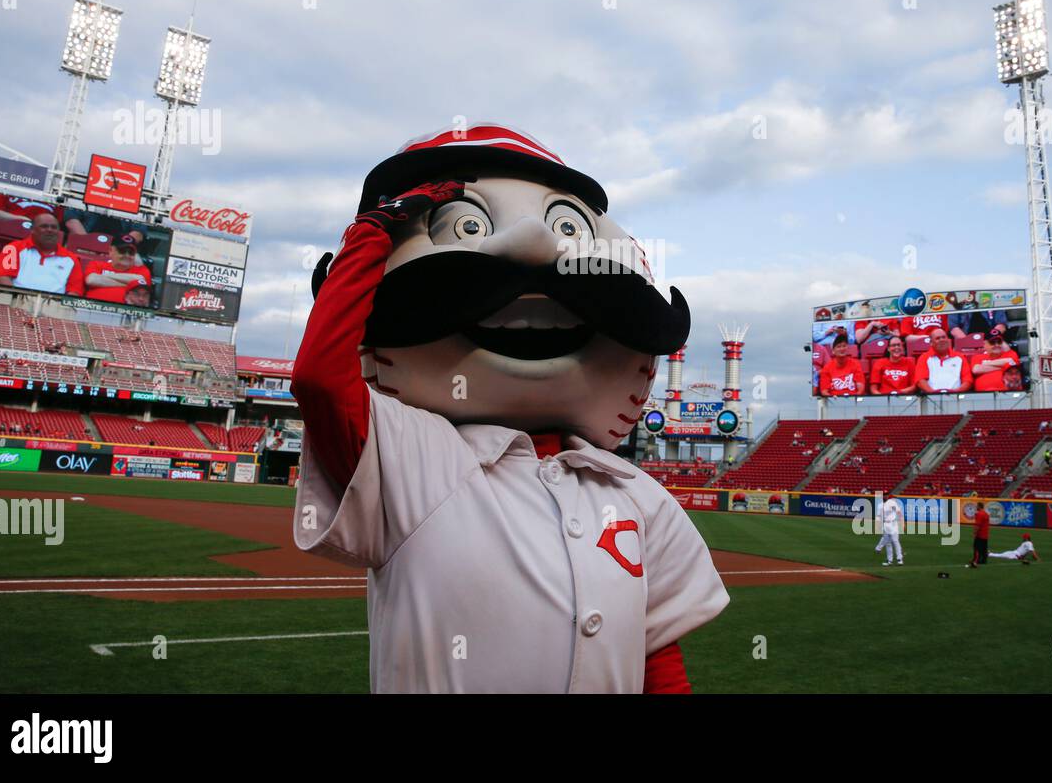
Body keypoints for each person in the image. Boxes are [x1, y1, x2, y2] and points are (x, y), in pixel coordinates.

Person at [290, 123, 727, 693]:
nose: (536, 245)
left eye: (566, 226)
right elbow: (320, 379)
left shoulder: (637, 495)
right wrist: (372, 236)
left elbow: (657, 659)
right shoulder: (408, 455)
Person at [0, 212, 85, 296]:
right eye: (44, 226)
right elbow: (1, 278)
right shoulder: (14, 248)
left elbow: (74, 292)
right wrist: (19, 300)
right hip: (15, 301)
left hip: (53, 309)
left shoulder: (71, 259)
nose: (49, 230)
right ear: (32, 230)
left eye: (54, 227)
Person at [84, 235, 153, 303]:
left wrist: (102, 276)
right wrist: (129, 285)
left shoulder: (142, 270)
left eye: (131, 252)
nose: (127, 255)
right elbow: (91, 280)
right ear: (110, 250)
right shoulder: (96, 264)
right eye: (122, 251)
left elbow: (140, 280)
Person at [914, 328, 973, 394]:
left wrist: (956, 392)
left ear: (948, 340)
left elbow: (967, 381)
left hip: (956, 397)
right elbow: (920, 381)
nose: (941, 340)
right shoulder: (924, 358)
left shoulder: (960, 357)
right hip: (931, 398)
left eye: (944, 337)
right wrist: (932, 393)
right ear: (931, 343)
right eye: (938, 338)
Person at [874, 493, 904, 566]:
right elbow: (878, 516)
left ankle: (899, 559)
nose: (885, 496)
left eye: (886, 495)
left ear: (888, 496)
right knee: (888, 543)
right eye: (884, 495)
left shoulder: (892, 502)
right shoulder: (880, 505)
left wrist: (903, 523)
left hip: (893, 524)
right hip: (885, 524)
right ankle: (889, 560)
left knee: (895, 541)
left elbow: (899, 512)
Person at [967, 501, 990, 568]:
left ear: (979, 506)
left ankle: (976, 560)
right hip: (985, 534)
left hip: (980, 534)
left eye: (977, 506)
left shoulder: (979, 514)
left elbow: (977, 525)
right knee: (984, 548)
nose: (976, 507)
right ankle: (984, 560)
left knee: (976, 547)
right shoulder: (986, 514)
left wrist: (974, 533)